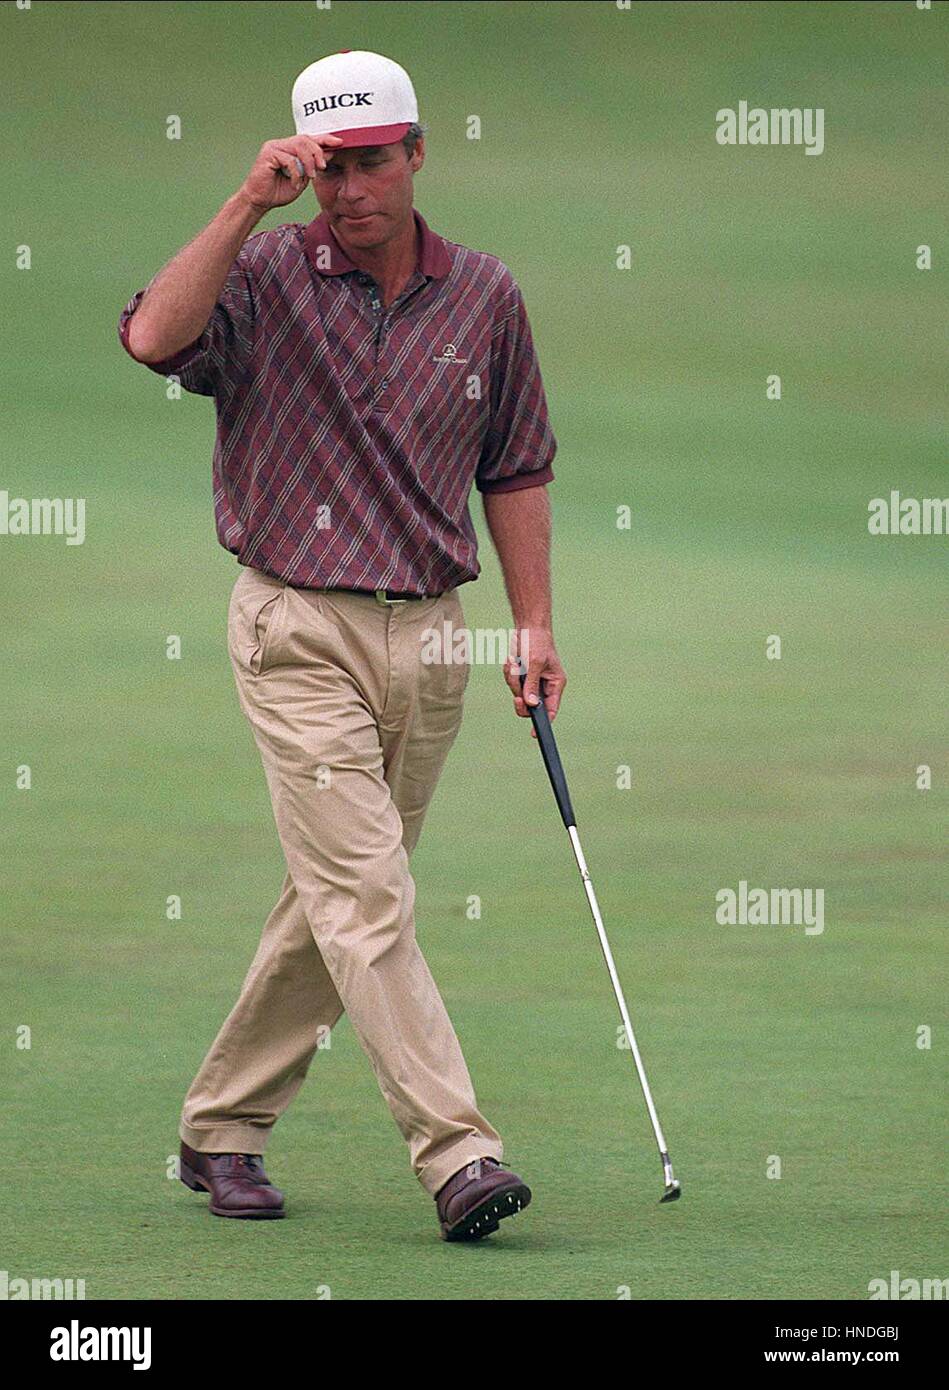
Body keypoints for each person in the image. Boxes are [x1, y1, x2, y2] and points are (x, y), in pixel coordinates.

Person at [118, 49, 566, 1241]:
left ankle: (220, 1124)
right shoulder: (261, 270)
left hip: (430, 640)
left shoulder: (485, 296)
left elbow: (515, 463)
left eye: (372, 162)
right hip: (295, 626)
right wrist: (245, 202)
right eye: (330, 168)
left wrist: (534, 623)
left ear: (417, 154)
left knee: (338, 897)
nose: (351, 189)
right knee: (367, 896)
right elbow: (154, 337)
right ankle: (459, 1153)